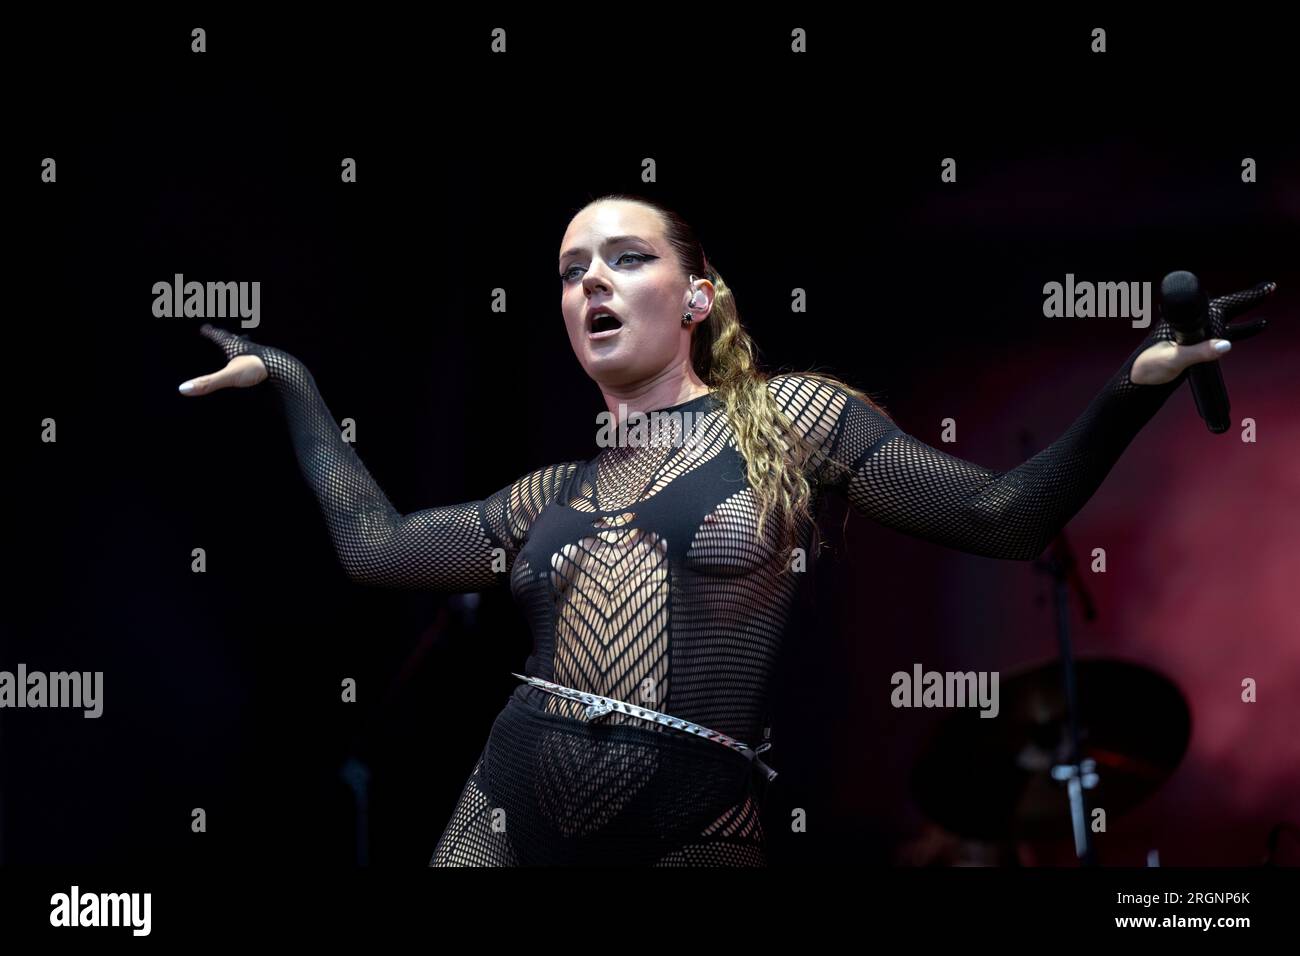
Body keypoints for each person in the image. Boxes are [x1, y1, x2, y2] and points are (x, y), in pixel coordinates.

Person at [178, 193, 1274, 866]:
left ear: (697, 297)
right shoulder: (542, 493)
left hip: (694, 818)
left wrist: (1130, 388)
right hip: (503, 815)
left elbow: (1001, 515)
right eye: (570, 271)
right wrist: (293, 382)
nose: (590, 281)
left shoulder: (793, 422)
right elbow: (375, 545)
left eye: (624, 257)